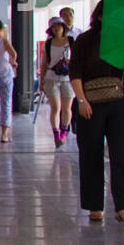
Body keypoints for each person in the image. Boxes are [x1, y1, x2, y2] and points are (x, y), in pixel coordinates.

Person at [69, 0, 124, 223]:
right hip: (90, 104)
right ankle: (95, 206)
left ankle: (123, 207)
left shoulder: (122, 39)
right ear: (101, 17)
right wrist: (81, 99)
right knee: (91, 154)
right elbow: (75, 72)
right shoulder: (85, 40)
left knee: (120, 155)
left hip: (118, 102)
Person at [38, 16, 74, 148]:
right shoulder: (48, 44)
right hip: (51, 77)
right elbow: (44, 64)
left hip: (68, 78)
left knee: (66, 108)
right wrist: (41, 82)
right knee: (55, 107)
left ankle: (64, 132)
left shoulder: (71, 41)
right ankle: (56, 134)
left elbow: (77, 59)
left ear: (64, 28)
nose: (57, 28)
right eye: (54, 26)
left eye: (59, 26)